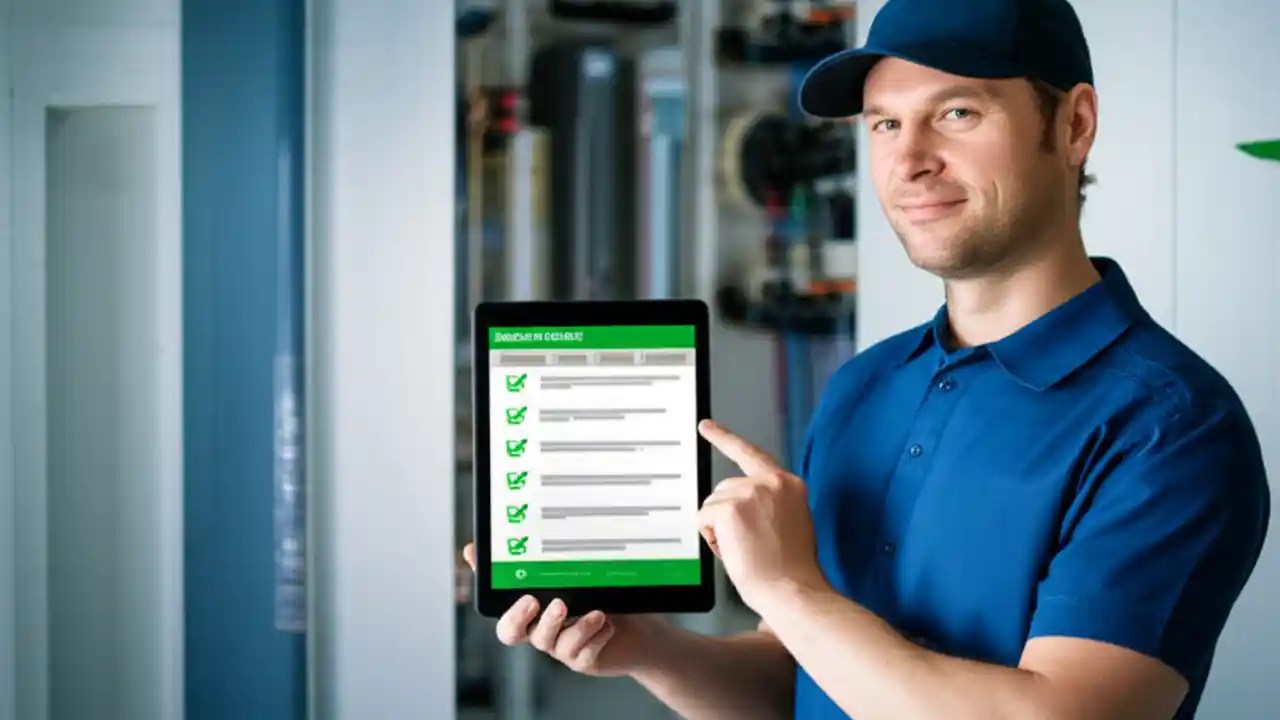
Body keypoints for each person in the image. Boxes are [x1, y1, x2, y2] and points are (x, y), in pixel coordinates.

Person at [462, 0, 1271, 717]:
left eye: (956, 113)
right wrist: (644, 649)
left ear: (1073, 125)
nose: (909, 159)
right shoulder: (864, 387)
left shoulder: (1168, 426)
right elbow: (802, 679)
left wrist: (786, 586)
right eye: (884, 123)